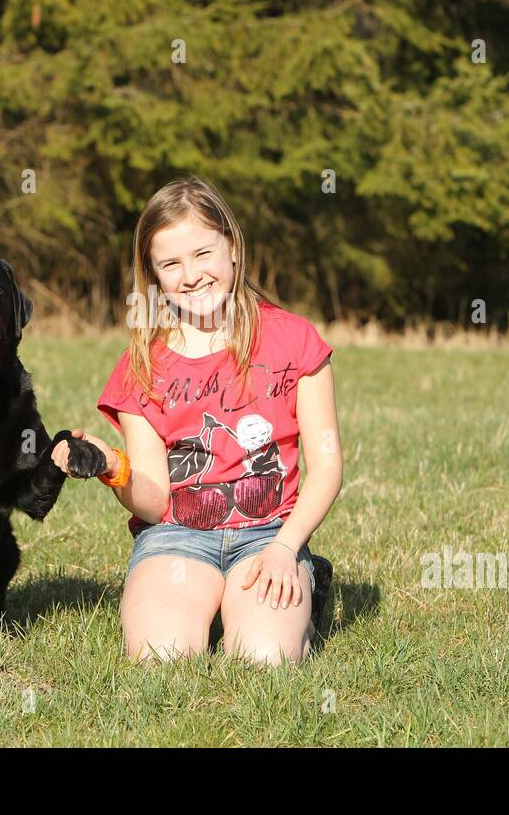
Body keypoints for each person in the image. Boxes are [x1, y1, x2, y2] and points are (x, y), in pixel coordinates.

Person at [53, 176, 342, 665]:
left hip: (270, 533)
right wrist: (112, 467)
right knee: (161, 657)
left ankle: (303, 581)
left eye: (203, 253)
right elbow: (155, 500)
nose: (191, 275)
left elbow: (327, 467)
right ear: (154, 275)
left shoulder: (294, 339)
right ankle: (203, 602)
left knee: (264, 658)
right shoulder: (142, 363)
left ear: (232, 246)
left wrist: (285, 549)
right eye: (171, 263)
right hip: (177, 536)